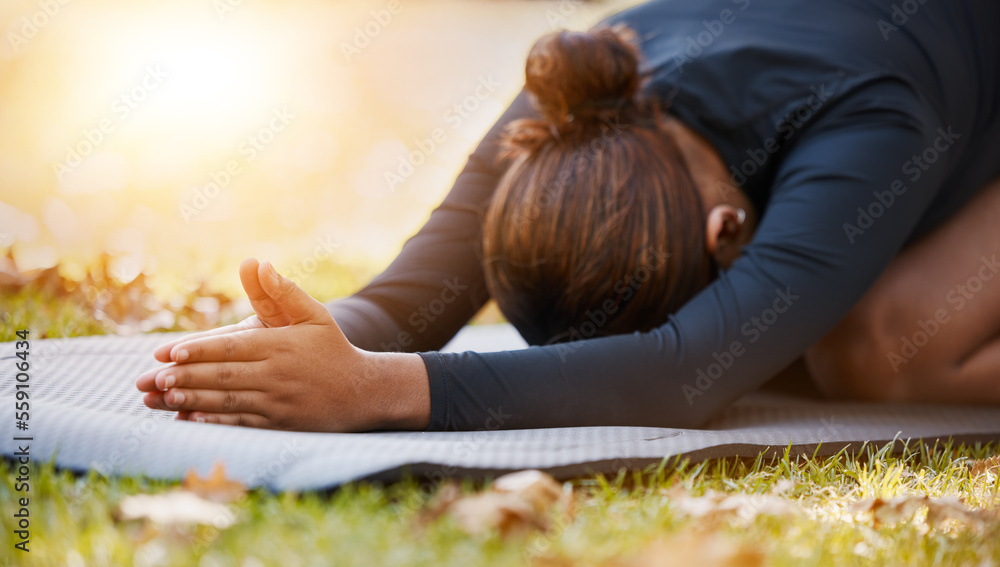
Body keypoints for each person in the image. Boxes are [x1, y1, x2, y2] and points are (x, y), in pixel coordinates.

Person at [136, 0, 1000, 432]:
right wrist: (302, 345)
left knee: (871, 350)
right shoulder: (573, 106)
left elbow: (686, 370)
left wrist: (373, 389)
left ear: (727, 232)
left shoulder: (866, 118)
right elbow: (407, 304)